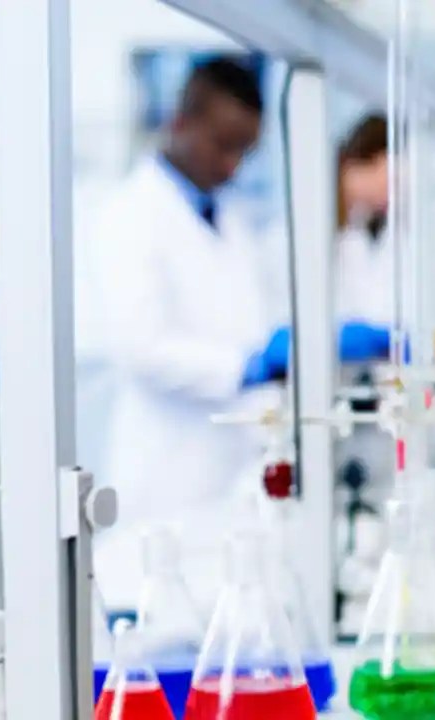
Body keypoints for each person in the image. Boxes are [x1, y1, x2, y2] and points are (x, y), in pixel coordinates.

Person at [92, 58, 389, 609]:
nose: (232, 165)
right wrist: (250, 364)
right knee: (166, 629)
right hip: (167, 478)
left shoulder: (225, 218)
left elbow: (249, 320)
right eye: (223, 145)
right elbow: (141, 347)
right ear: (181, 121)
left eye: (245, 151)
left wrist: (306, 340)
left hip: (231, 476)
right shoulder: (131, 215)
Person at [334, 113, 394, 326]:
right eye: (391, 177)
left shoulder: (361, 222)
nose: (393, 192)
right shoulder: (321, 215)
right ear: (377, 159)